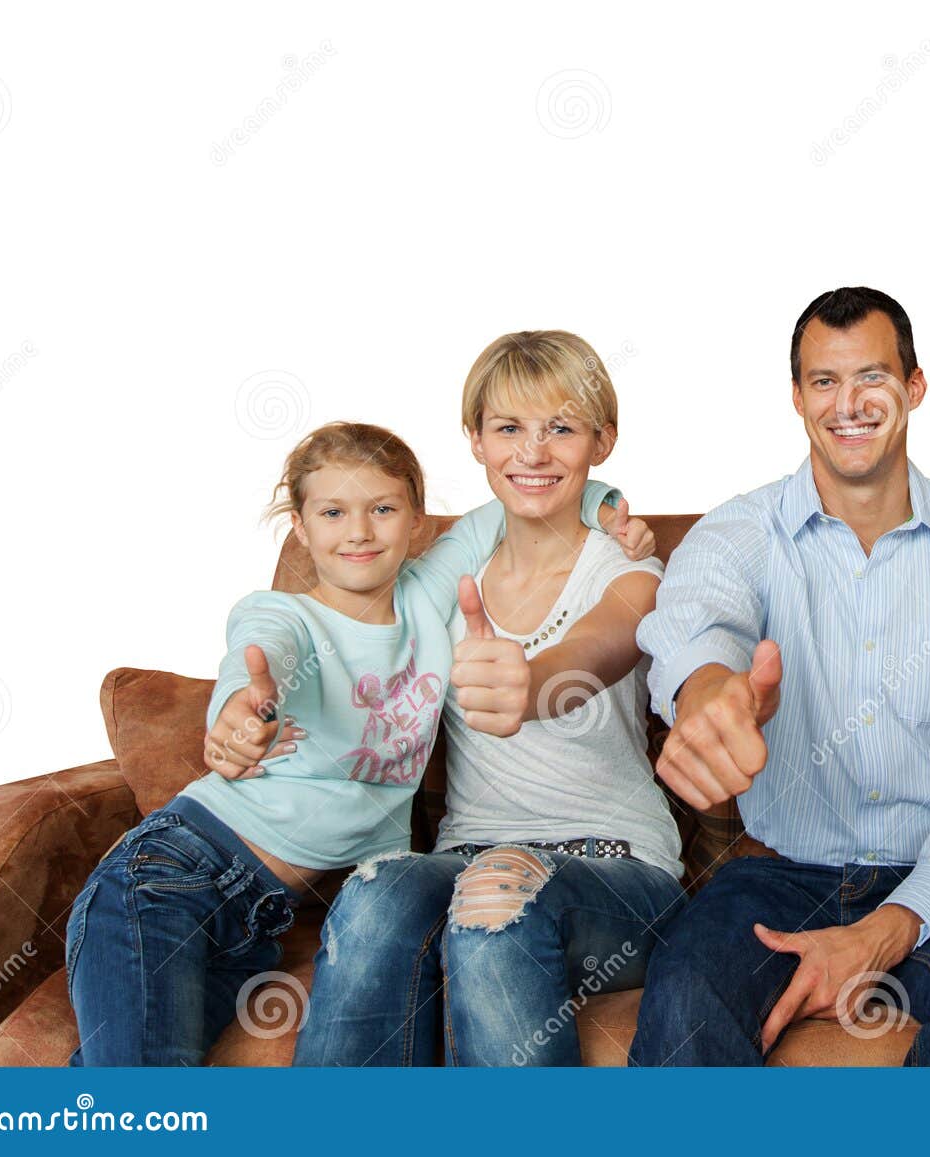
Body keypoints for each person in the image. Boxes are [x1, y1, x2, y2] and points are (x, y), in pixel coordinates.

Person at [67, 420, 642, 1065]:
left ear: (417, 520)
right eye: (333, 512)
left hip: (262, 922)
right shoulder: (283, 614)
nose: (360, 531)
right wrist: (241, 710)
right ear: (300, 526)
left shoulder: (427, 594)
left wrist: (608, 508)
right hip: (174, 877)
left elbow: (519, 497)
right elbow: (259, 656)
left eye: (383, 509)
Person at [627, 287, 930, 1067]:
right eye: (824, 381)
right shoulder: (738, 531)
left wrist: (888, 926)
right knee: (686, 996)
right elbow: (697, 618)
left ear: (915, 387)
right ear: (797, 398)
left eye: (873, 377)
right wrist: (706, 690)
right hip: (778, 877)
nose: (849, 403)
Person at [293, 332, 685, 1066]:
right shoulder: (443, 579)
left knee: (496, 897)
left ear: (601, 441)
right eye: (508, 428)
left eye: (560, 428)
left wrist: (531, 684)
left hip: (618, 871)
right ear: (475, 440)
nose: (532, 452)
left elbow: (602, 642)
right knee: (376, 892)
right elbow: (334, 633)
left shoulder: (631, 569)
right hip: (464, 857)